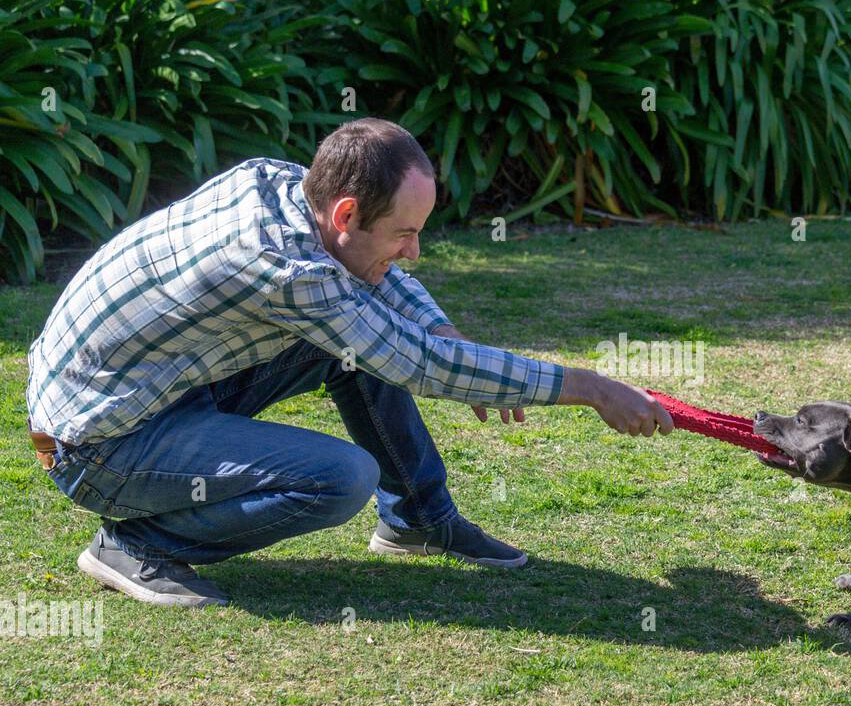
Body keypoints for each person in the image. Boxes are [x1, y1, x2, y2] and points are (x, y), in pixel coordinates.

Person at [26, 118, 673, 607]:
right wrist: (589, 387)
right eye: (404, 232)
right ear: (345, 212)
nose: (414, 251)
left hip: (147, 392)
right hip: (96, 444)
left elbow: (392, 301)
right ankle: (135, 546)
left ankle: (420, 521)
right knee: (340, 478)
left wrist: (439, 326)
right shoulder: (286, 273)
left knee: (352, 343)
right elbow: (419, 365)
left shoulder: (280, 183)